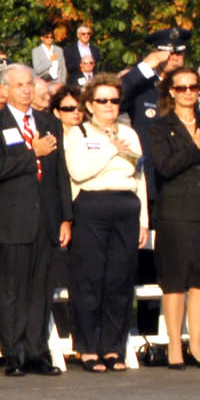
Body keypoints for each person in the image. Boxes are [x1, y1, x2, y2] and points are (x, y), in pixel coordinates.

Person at [0, 64, 73, 375]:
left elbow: (60, 175)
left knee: (40, 288)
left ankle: (36, 352)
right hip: (11, 219)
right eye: (19, 85)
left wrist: (65, 218)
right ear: (4, 89)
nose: (26, 90)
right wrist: (33, 153)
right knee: (12, 288)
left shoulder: (47, 123)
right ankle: (13, 353)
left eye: (30, 84)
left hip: (46, 217)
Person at [147, 67, 200, 368]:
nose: (188, 93)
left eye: (193, 87)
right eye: (181, 88)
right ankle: (174, 345)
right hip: (175, 212)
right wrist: (193, 146)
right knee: (174, 281)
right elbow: (165, 167)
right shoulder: (160, 128)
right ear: (171, 91)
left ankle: (196, 344)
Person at [61, 74, 147, 372]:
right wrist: (112, 149)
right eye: (102, 100)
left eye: (114, 100)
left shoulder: (129, 133)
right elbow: (80, 171)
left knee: (119, 280)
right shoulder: (79, 133)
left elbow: (139, 176)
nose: (109, 106)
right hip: (92, 205)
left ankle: (112, 347)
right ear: (89, 104)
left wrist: (144, 220)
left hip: (126, 205)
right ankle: (87, 347)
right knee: (90, 279)